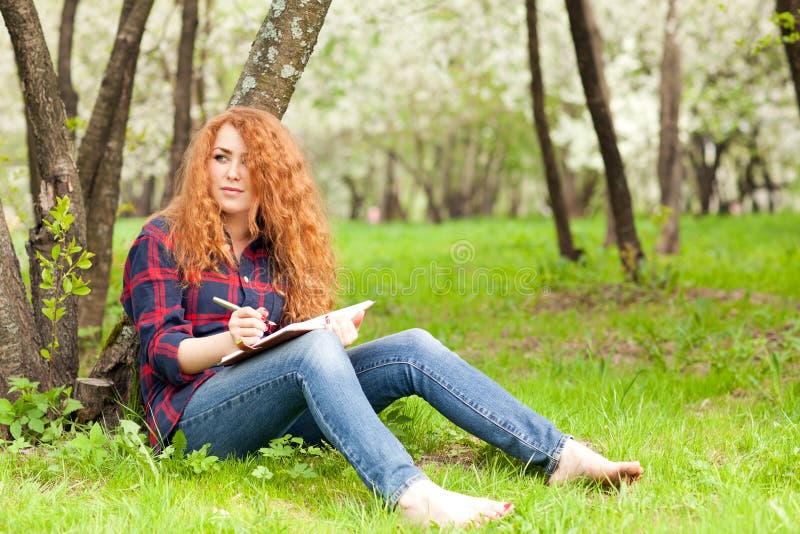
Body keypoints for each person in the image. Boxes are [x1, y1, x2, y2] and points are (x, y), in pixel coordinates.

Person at [121, 107, 642, 528]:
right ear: (203, 164)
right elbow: (165, 353)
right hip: (194, 424)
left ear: (271, 177)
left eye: (248, 161)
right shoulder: (162, 239)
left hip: (270, 413)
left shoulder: (274, 250)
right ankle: (411, 494)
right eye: (220, 157)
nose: (232, 173)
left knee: (411, 347)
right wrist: (229, 342)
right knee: (311, 351)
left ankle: (557, 455)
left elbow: (284, 352)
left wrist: (325, 336)